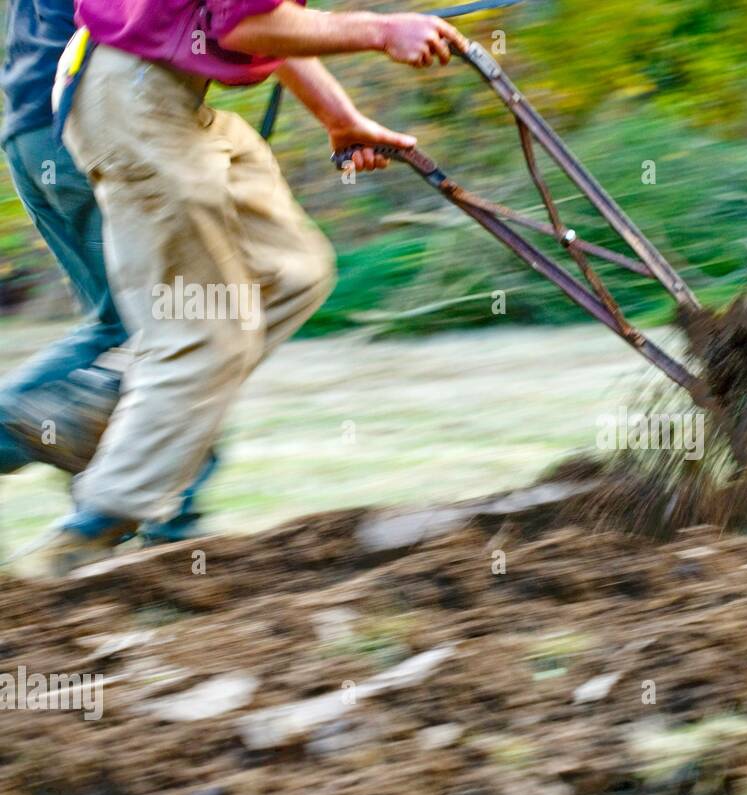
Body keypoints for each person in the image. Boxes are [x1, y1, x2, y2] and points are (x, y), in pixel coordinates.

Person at [21, 1, 465, 576]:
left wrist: (339, 117)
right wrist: (383, 31)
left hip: (160, 96)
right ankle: (90, 527)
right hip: (131, 97)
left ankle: (117, 400)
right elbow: (246, 24)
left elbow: (261, 16)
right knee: (209, 326)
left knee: (293, 269)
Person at [0, 0, 213, 546]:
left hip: (31, 135)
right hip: (84, 127)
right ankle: (165, 518)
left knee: (122, 324)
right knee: (181, 324)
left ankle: (135, 513)